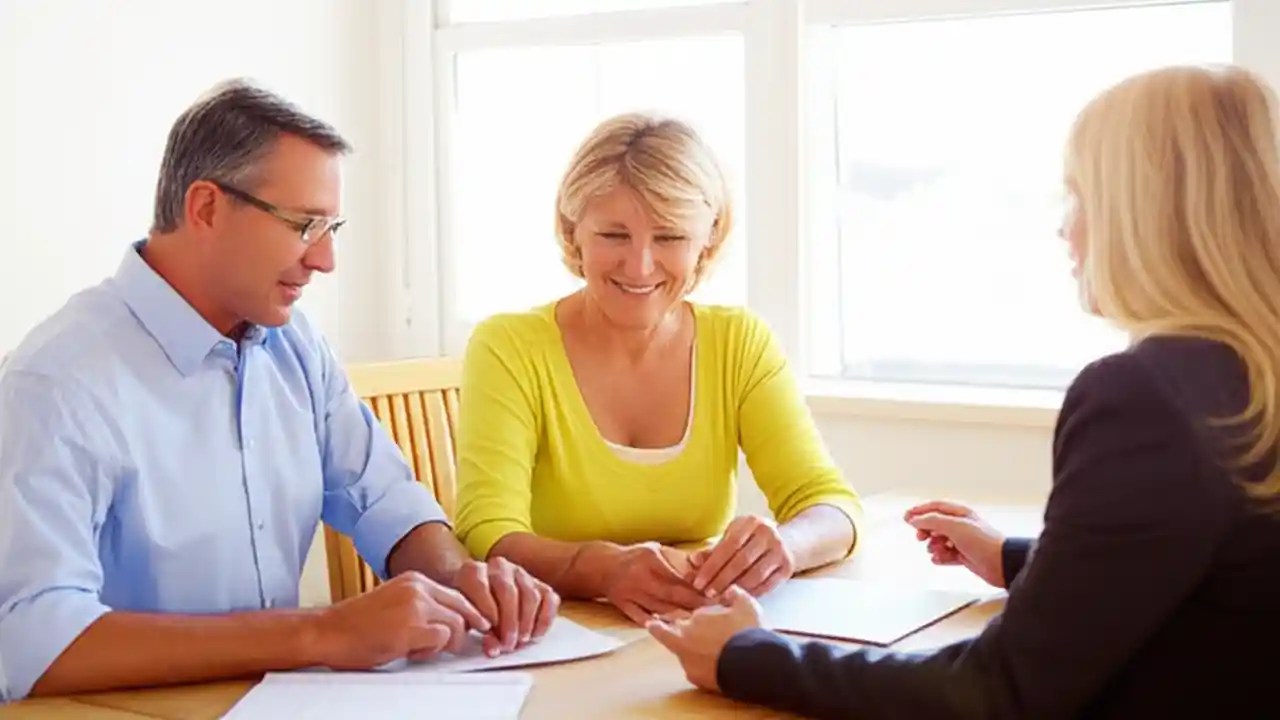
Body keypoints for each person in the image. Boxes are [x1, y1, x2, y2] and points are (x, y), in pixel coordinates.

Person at [647, 64, 1280, 718]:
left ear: (1142, 214)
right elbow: (1211, 566)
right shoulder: (1250, 373)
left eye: (1080, 197)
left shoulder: (1145, 396)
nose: (1066, 229)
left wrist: (747, 654)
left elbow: (996, 691)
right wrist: (1016, 559)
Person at [0, 79, 558, 703]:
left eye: (332, 227)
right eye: (304, 225)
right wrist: (319, 633)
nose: (325, 260)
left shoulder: (294, 347)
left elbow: (384, 500)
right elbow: (32, 642)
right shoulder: (55, 383)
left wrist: (461, 579)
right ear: (206, 208)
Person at [452, 113, 861, 625]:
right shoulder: (508, 345)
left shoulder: (739, 343)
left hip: (686, 631)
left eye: (669, 237)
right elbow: (487, 532)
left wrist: (788, 546)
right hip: (555, 634)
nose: (641, 265)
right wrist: (603, 570)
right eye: (614, 235)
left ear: (706, 241)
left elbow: (831, 505)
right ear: (571, 231)